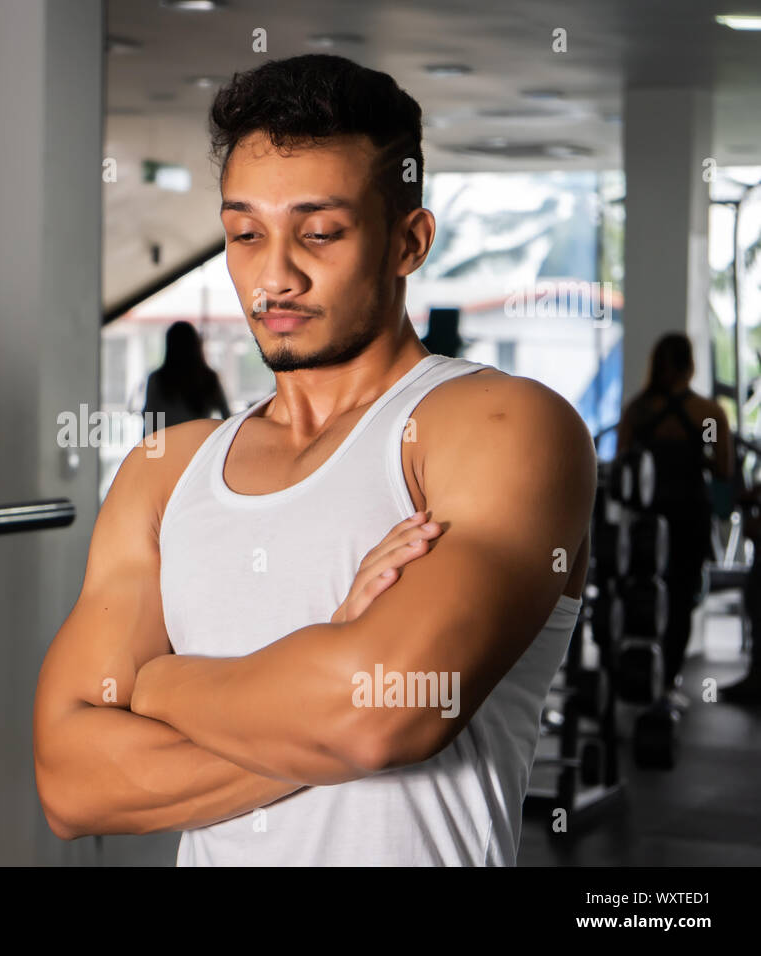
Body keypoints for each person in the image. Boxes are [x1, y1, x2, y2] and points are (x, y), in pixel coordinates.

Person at [33, 54, 594, 866]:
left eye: (321, 232)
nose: (275, 274)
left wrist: (161, 687)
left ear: (409, 241)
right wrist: (324, 655)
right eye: (244, 235)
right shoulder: (166, 471)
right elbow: (69, 784)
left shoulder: (499, 425)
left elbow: (382, 717)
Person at [616, 333, 733, 710]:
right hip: (688, 517)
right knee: (680, 600)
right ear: (691, 365)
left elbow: (622, 466)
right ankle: (665, 684)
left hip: (646, 523)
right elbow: (724, 468)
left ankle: (633, 679)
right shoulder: (709, 414)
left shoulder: (637, 410)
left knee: (640, 596)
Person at [141, 321, 230, 429]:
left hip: (169, 444)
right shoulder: (208, 378)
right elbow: (227, 418)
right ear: (196, 345)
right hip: (201, 444)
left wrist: (152, 445)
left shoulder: (157, 380)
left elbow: (152, 424)